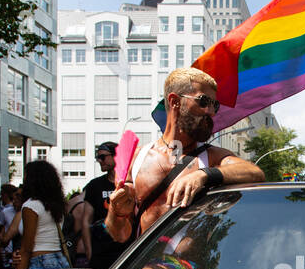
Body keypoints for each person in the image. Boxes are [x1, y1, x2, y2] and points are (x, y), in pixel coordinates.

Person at [104, 68, 266, 243]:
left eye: (214, 105)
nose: (211, 112)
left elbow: (254, 173)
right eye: (203, 101)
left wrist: (203, 175)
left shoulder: (210, 157)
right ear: (175, 102)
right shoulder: (136, 158)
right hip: (146, 260)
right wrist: (116, 213)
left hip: (191, 266)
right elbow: (119, 235)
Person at [80, 141, 129, 269]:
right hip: (101, 252)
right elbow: (86, 221)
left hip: (126, 251)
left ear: (116, 156)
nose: (99, 161)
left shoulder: (129, 184)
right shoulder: (94, 185)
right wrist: (89, 252)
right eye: (98, 158)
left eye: (103, 157)